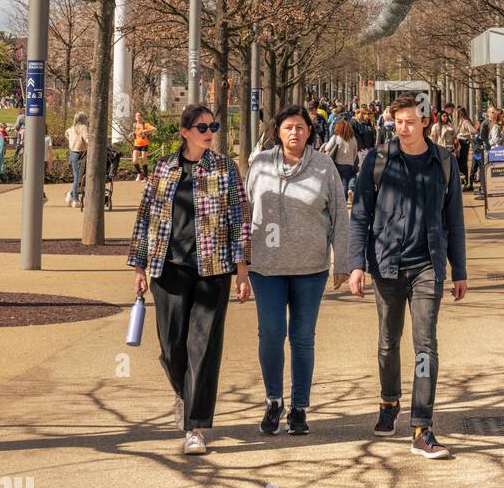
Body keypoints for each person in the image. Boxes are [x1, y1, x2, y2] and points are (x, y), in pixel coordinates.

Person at [348, 93, 467, 459]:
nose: (403, 128)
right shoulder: (377, 160)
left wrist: (458, 269)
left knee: (425, 344)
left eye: (410, 122)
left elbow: (455, 221)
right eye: (398, 122)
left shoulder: (443, 162)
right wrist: (356, 264)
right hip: (386, 264)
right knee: (388, 342)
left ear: (425, 121)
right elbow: (360, 215)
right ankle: (389, 402)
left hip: (428, 266)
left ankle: (422, 426)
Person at [128, 103, 251, 454]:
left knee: (204, 346)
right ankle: (184, 393)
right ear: (184, 132)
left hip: (213, 269)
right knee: (171, 347)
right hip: (167, 268)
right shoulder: (165, 167)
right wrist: (139, 266)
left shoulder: (225, 168)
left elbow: (240, 219)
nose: (209, 132)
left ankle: (196, 426)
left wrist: (242, 271)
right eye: (201, 127)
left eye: (213, 126)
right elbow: (145, 216)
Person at [246, 105, 350, 436]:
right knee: (272, 334)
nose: (295, 132)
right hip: (266, 268)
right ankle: (274, 400)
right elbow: (248, 209)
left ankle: (299, 408)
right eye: (289, 127)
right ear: (278, 131)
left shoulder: (323, 166)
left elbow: (339, 215)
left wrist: (342, 261)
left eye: (301, 127)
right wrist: (240, 263)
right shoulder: (260, 164)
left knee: (303, 338)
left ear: (309, 131)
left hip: (311, 267)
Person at [323, 116, 359, 202]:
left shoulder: (336, 137)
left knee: (341, 181)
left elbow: (327, 148)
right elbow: (355, 152)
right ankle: (350, 191)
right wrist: (352, 161)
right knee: (347, 179)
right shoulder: (353, 139)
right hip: (349, 163)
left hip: (338, 162)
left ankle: (342, 199)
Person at [65, 111, 89, 208]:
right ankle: (75, 196)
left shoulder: (71, 129)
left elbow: (66, 134)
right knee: (84, 176)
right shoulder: (83, 128)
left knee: (76, 177)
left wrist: (71, 142)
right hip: (82, 153)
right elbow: (87, 139)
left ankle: (74, 198)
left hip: (73, 153)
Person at [454, 106, 475, 189]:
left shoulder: (465, 122)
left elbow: (473, 131)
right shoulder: (458, 122)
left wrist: (469, 138)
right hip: (458, 142)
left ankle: (464, 183)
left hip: (463, 142)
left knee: (462, 163)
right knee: (458, 163)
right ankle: (461, 182)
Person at [131, 111, 155, 181]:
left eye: (139, 115)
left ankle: (146, 176)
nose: (138, 117)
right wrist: (131, 134)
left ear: (141, 117)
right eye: (137, 116)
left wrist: (146, 131)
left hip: (144, 144)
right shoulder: (134, 125)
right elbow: (135, 133)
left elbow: (154, 129)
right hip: (136, 144)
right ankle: (139, 173)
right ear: (135, 117)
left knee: (143, 161)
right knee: (134, 160)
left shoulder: (145, 124)